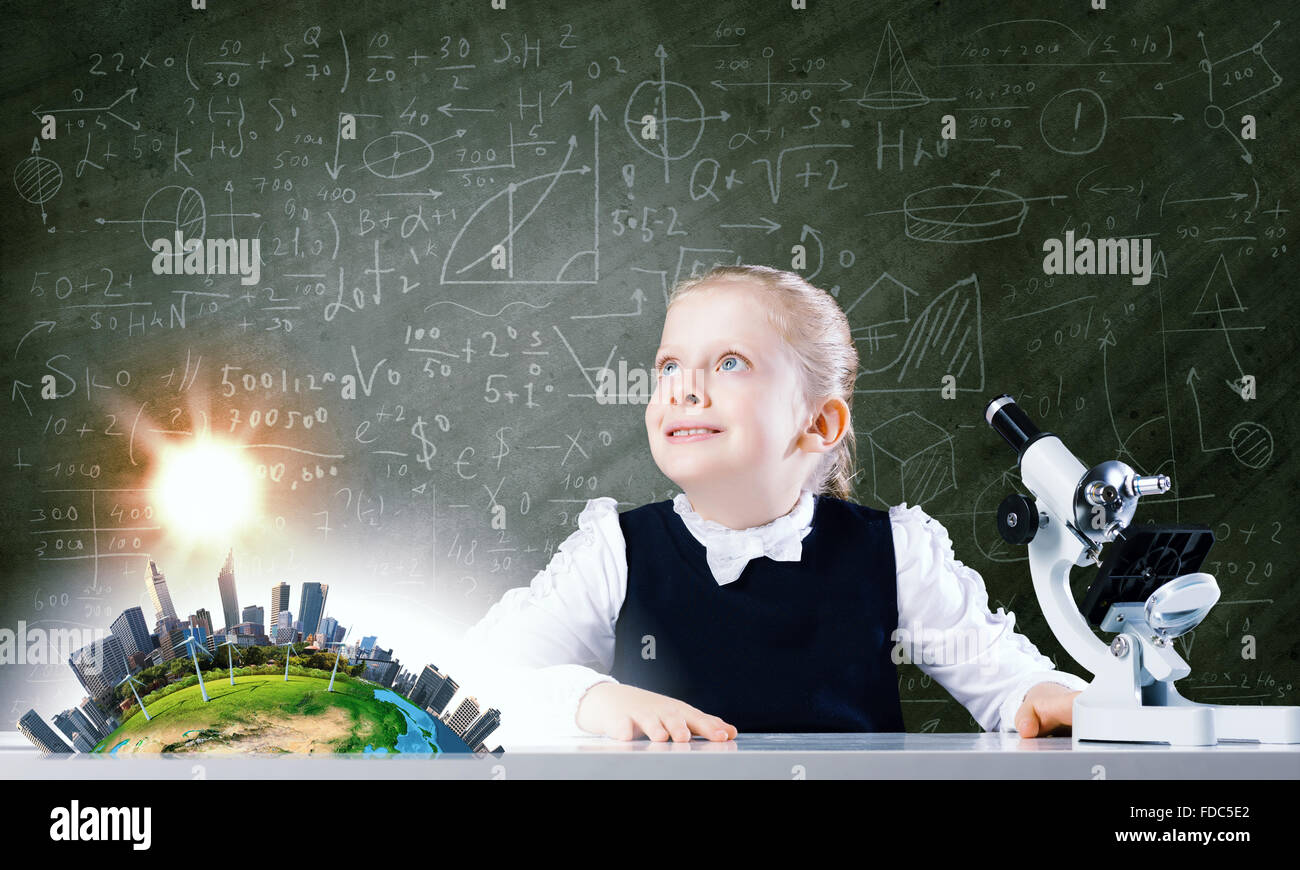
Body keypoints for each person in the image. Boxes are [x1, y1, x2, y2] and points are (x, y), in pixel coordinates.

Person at [450, 264, 1086, 744]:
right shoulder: (615, 554)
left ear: (819, 423)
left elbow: (1007, 681)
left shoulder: (894, 552)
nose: (684, 389)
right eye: (669, 366)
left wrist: (1043, 694)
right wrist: (592, 700)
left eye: (730, 363)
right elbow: (474, 680)